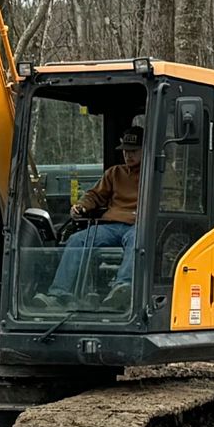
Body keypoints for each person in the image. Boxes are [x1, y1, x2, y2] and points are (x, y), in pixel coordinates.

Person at [56, 123, 144, 298]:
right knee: (77, 239)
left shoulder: (154, 174)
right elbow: (94, 195)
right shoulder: (114, 173)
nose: (128, 155)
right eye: (125, 151)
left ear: (145, 150)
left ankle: (122, 287)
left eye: (133, 151)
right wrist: (81, 206)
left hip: (139, 225)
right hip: (112, 226)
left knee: (138, 239)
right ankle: (59, 292)